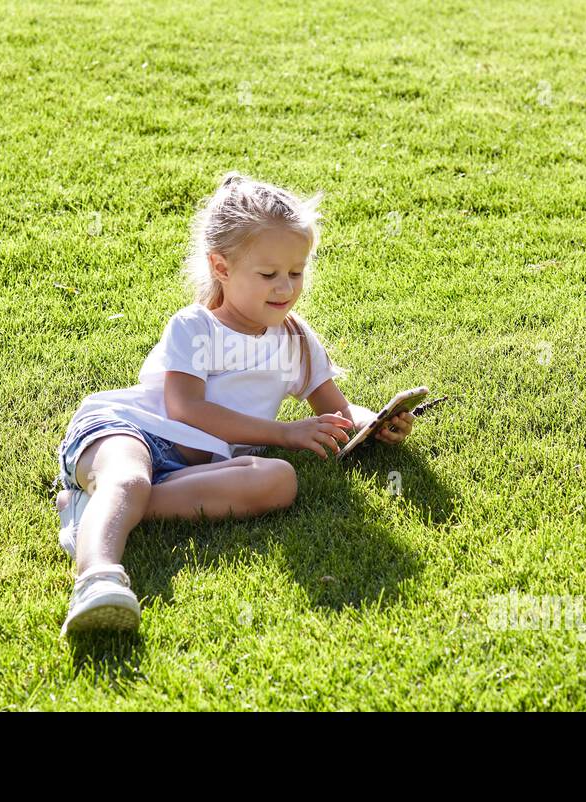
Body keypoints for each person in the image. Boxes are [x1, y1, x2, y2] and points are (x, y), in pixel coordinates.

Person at [52, 171, 416, 636]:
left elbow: (341, 413)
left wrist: (375, 423)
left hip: (197, 470)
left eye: (295, 272)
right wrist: (283, 433)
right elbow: (185, 409)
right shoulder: (195, 327)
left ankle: (93, 508)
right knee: (128, 476)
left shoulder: (297, 341)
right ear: (221, 268)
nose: (285, 288)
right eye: (268, 275)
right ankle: (98, 578)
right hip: (130, 432)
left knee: (279, 481)